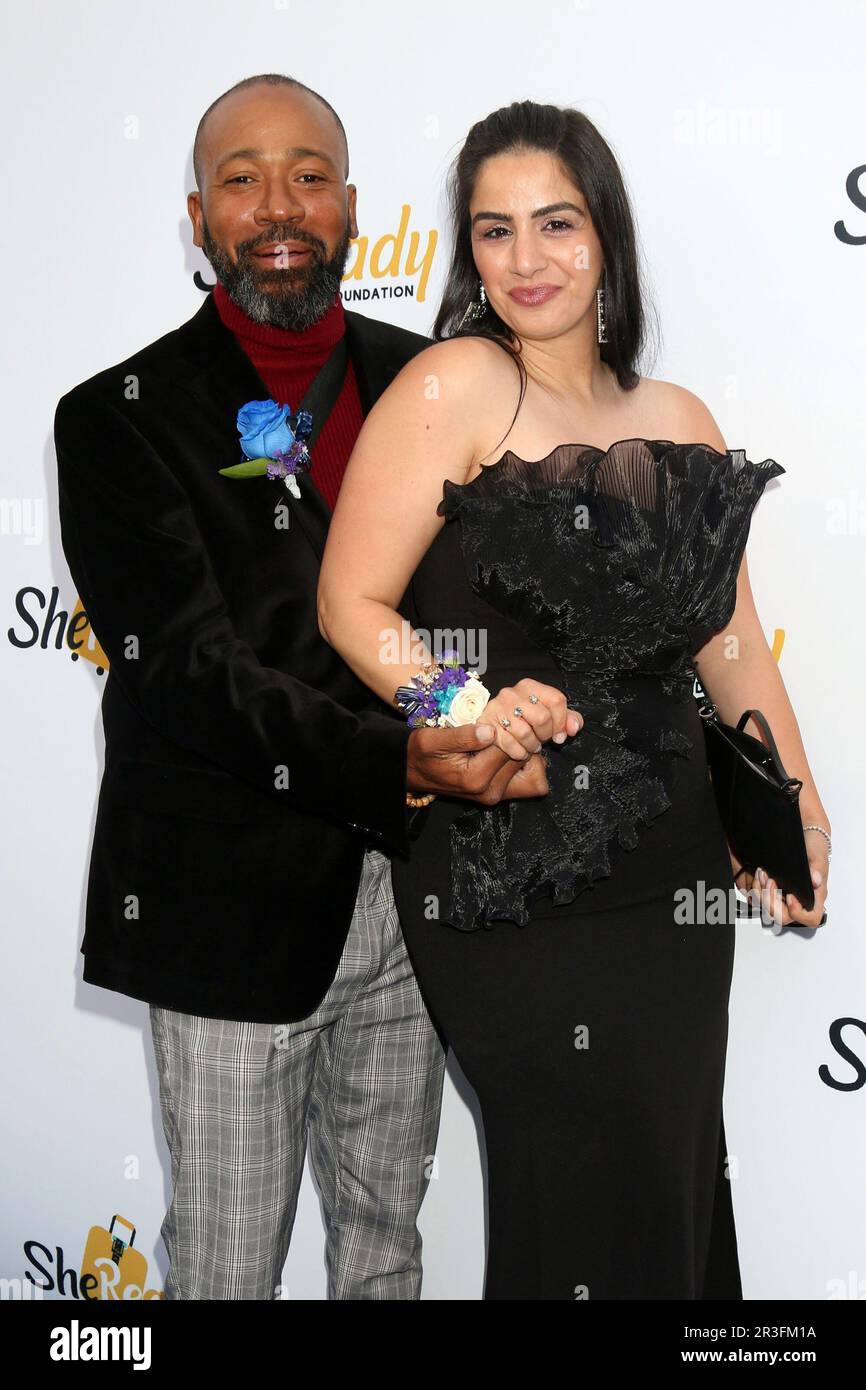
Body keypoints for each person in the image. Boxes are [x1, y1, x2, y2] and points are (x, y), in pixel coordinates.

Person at [53, 74, 575, 1301]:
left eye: (306, 174)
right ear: (197, 214)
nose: (276, 203)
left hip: (416, 898)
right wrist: (397, 757)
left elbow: (475, 615)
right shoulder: (116, 418)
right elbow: (186, 673)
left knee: (385, 1254)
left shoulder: (434, 381)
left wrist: (504, 720)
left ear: (349, 205)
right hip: (228, 910)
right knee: (228, 1269)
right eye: (240, 179)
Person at [317, 99, 833, 1300]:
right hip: (508, 868)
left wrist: (793, 807)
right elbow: (352, 605)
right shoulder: (452, 386)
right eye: (493, 232)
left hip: (669, 868)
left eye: (555, 223)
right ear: (468, 251)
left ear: (605, 235)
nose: (527, 259)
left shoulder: (677, 422)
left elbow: (733, 649)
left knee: (663, 1176)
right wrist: (465, 700)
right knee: (571, 1191)